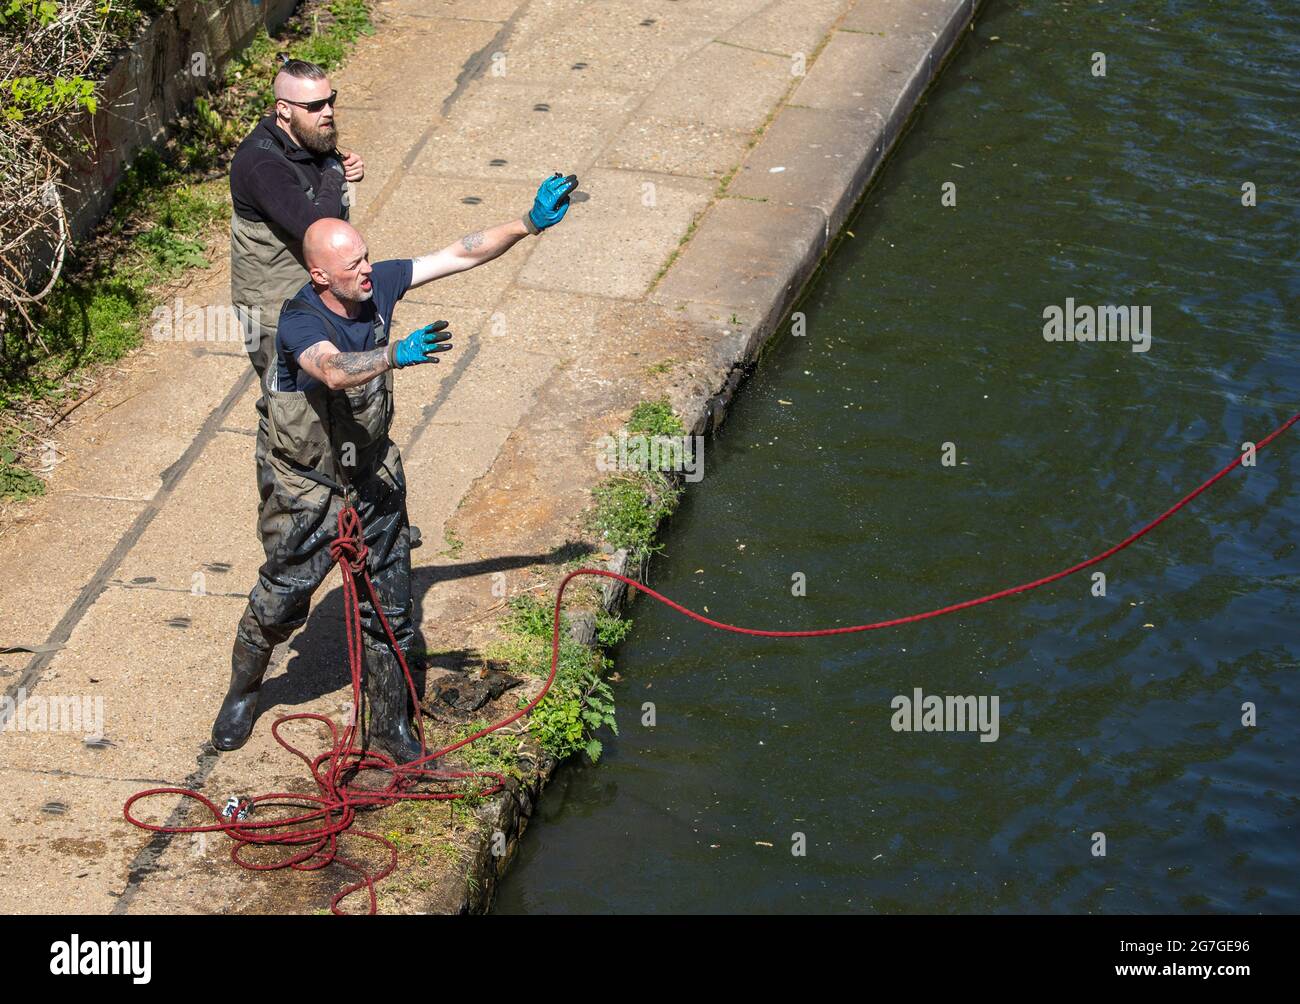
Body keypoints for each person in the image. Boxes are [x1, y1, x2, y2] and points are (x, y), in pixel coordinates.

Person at [211, 173, 581, 764]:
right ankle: (245, 688)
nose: (366, 269)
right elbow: (331, 370)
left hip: (373, 472)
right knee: (284, 598)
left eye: (366, 257)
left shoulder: (377, 284)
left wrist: (526, 222)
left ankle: (389, 729)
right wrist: (394, 355)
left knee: (391, 610)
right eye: (351, 265)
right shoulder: (300, 322)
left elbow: (458, 253)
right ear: (319, 277)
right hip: (307, 483)